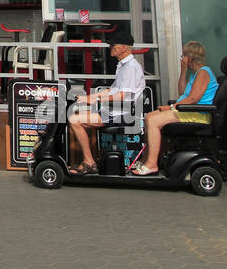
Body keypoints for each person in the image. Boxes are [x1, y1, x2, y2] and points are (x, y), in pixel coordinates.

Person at [132, 41, 218, 177]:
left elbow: (192, 99)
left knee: (154, 121)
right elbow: (182, 93)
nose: (182, 59)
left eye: (183, 56)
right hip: (187, 111)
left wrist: (171, 107)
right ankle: (148, 159)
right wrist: (183, 71)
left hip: (197, 114)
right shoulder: (195, 74)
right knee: (149, 116)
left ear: (190, 57)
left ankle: (151, 165)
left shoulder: (204, 72)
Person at [67, 31, 146, 174]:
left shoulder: (131, 67)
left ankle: (89, 162)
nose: (110, 47)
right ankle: (93, 159)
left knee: (74, 120)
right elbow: (112, 90)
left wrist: (96, 99)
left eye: (113, 45)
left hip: (122, 112)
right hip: (114, 110)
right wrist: (89, 97)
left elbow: (123, 95)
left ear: (123, 47)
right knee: (81, 120)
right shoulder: (123, 66)